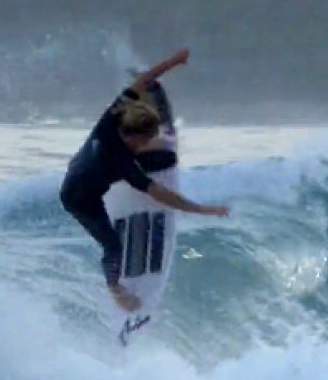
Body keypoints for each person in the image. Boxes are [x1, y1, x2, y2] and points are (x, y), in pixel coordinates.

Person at [60, 48, 229, 313]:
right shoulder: (122, 163)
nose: (148, 141)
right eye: (146, 138)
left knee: (153, 150)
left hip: (79, 166)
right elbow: (160, 194)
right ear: (133, 138)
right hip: (79, 198)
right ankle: (116, 290)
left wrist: (173, 61)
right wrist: (202, 209)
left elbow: (141, 82)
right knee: (113, 246)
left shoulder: (114, 116)